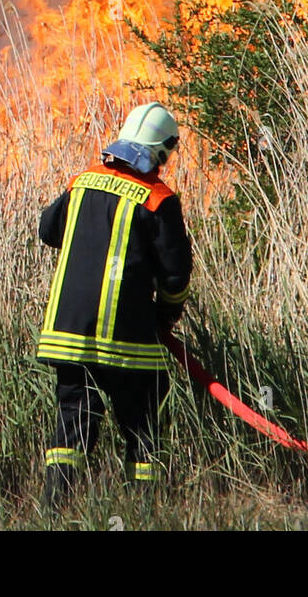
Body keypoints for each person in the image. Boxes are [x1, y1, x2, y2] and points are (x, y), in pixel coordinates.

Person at [36, 101, 192, 509]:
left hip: (67, 334)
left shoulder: (82, 183)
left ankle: (54, 509)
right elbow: (176, 276)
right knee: (142, 421)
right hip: (127, 339)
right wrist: (165, 316)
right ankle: (143, 509)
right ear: (161, 151)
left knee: (73, 421)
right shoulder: (158, 200)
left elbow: (48, 230)